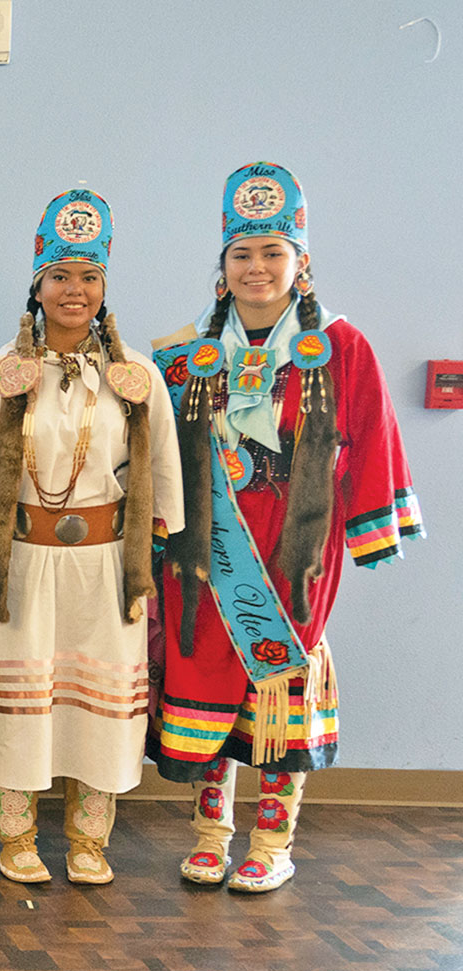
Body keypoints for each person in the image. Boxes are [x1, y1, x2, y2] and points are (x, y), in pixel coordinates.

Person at [151, 163, 421, 892]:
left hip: (296, 547)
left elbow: (371, 436)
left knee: (280, 682)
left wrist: (370, 531)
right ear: (223, 268)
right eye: (242, 255)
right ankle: (211, 831)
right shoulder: (179, 357)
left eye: (273, 253)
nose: (257, 268)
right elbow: (155, 459)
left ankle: (273, 841)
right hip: (207, 546)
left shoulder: (340, 348)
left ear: (301, 265)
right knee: (207, 670)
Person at [0, 189, 184, 885]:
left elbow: (165, 480)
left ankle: (89, 841)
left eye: (89, 277)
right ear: (37, 284)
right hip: (25, 561)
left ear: (104, 288)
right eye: (61, 276)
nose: (75, 291)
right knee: (25, 702)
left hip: (106, 563)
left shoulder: (136, 377)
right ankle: (18, 835)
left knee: (98, 707)